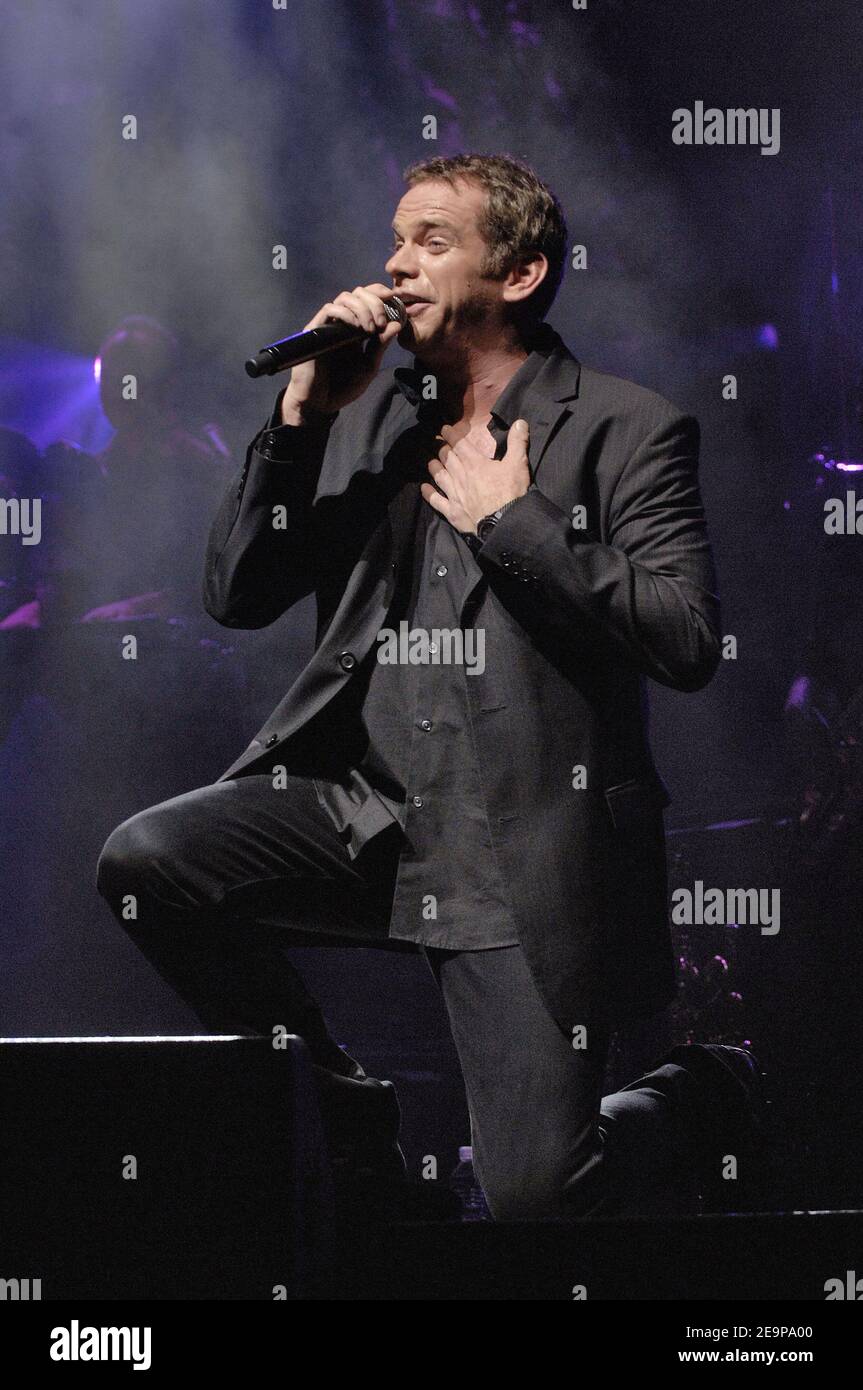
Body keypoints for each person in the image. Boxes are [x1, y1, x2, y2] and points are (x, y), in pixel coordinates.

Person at [97, 154, 761, 1219]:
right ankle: (347, 1111)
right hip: (359, 819)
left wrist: (516, 524)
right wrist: (303, 416)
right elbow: (235, 593)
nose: (396, 265)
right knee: (149, 861)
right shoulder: (369, 421)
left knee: (538, 1195)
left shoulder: (625, 426)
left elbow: (685, 640)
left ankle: (696, 1092)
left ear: (520, 273)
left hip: (514, 850)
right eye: (395, 241)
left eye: (431, 242)